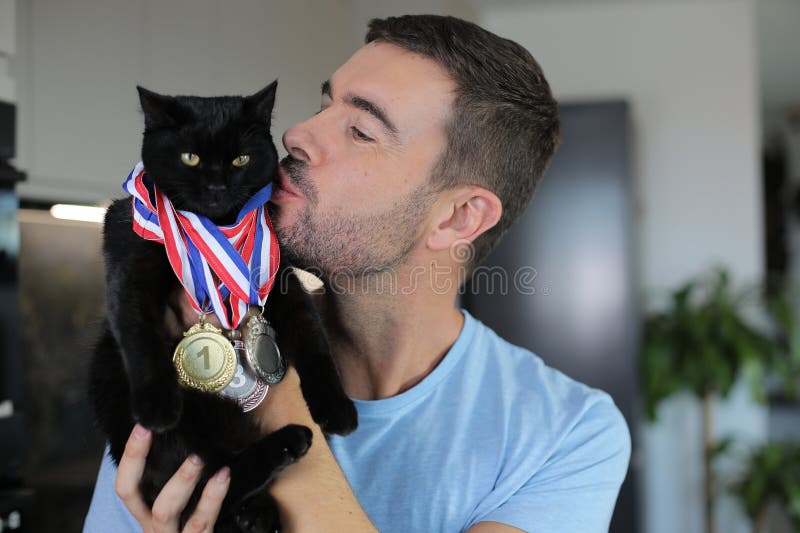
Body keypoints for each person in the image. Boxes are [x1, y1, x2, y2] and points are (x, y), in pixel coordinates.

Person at [84, 14, 631, 533]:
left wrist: (254, 380)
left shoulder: (568, 435)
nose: (298, 134)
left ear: (459, 216)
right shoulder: (175, 344)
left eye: (361, 130)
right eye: (324, 105)